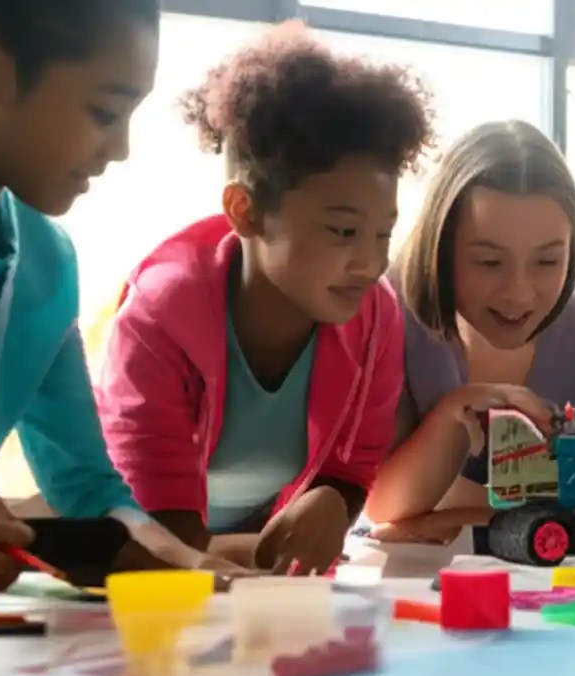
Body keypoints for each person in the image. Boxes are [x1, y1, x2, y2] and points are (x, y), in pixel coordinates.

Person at [0, 0, 250, 623]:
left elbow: (86, 485)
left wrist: (191, 568)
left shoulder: (46, 265)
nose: (122, 149)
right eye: (104, 111)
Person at [95, 22, 435, 574]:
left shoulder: (375, 314)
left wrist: (336, 500)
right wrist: (238, 561)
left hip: (242, 554)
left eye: (383, 234)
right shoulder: (158, 318)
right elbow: (159, 538)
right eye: (344, 232)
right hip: (138, 553)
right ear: (246, 212)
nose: (372, 265)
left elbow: (352, 467)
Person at [364, 120, 575, 542]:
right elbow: (383, 503)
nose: (518, 293)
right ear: (442, 247)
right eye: (489, 262)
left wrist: (453, 506)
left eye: (547, 262)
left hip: (558, 580)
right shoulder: (389, 314)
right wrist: (457, 409)